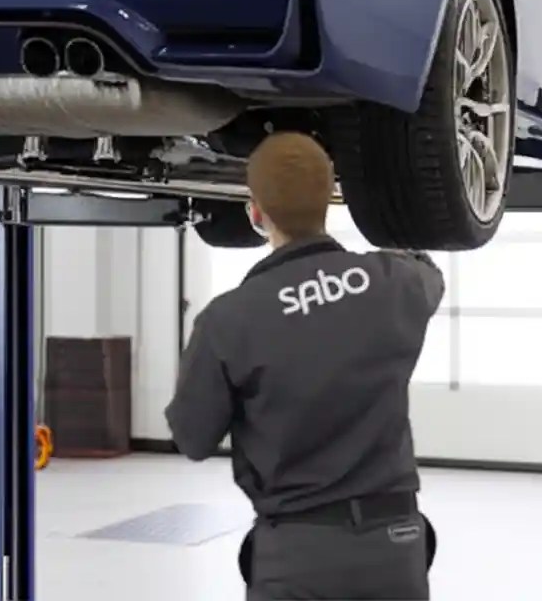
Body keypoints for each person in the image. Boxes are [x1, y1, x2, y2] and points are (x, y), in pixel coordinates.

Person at [164, 131, 444, 600]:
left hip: (297, 556)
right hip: (395, 547)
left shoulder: (228, 320)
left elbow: (192, 438)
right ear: (329, 203)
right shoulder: (391, 283)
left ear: (255, 212)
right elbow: (429, 274)